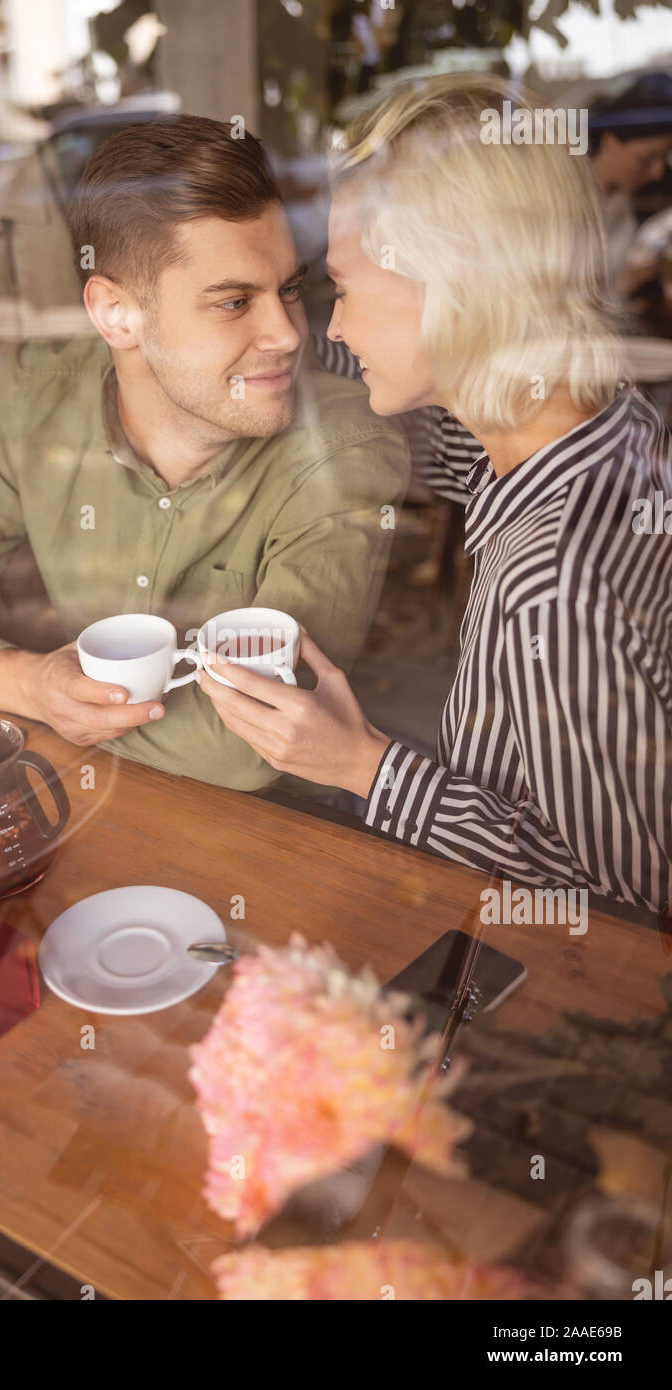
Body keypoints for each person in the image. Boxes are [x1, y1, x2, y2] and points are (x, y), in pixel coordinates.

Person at [198, 73, 672, 915]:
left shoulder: (552, 586)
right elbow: (411, 403)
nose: (334, 324)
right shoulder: (582, 422)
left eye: (341, 288)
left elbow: (623, 901)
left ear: (456, 286)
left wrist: (363, 765)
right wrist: (256, 338)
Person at [0, 115, 408, 793]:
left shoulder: (345, 446)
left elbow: (246, 749)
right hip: (84, 812)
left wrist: (44, 704)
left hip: (272, 848)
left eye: (290, 289)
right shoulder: (35, 399)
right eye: (234, 302)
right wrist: (31, 684)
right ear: (116, 315)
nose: (289, 334)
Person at [588, 72, 672, 296]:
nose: (657, 172)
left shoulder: (621, 202)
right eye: (646, 159)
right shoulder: (568, 203)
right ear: (610, 142)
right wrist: (624, 285)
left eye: (664, 159)